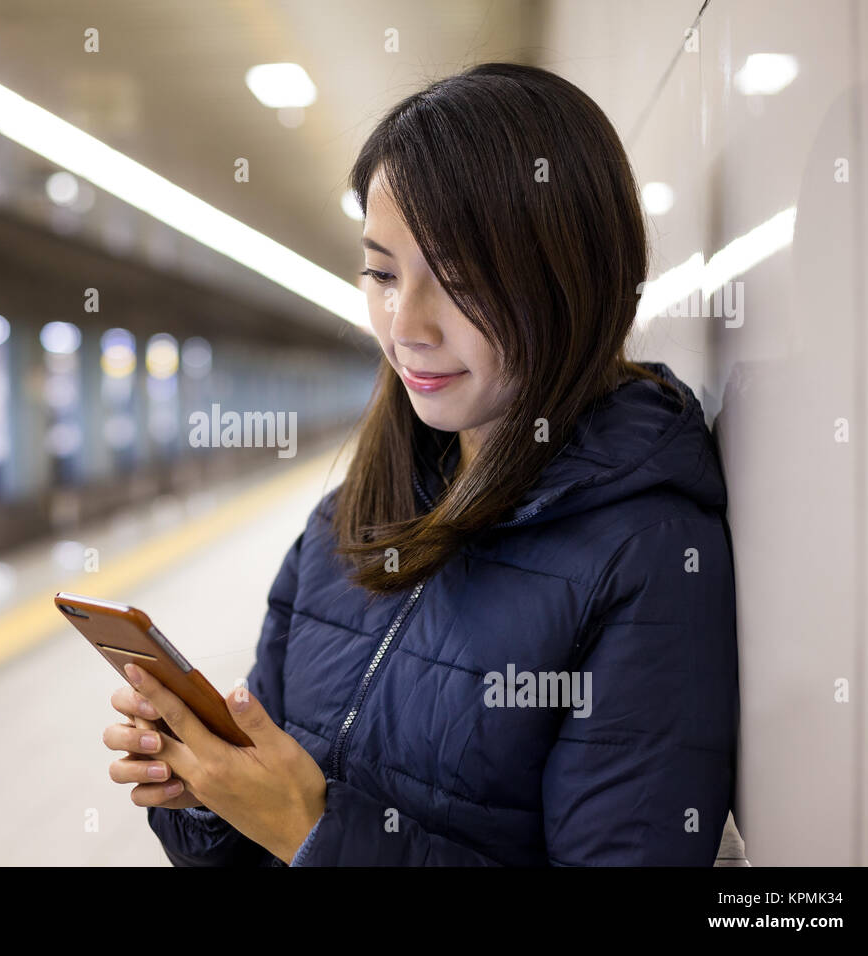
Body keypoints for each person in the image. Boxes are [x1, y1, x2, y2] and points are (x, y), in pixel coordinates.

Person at [102, 62, 739, 866]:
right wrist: (215, 794)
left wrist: (313, 831)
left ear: (572, 279)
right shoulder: (347, 521)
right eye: (381, 273)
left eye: (462, 280)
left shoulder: (647, 555)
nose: (406, 325)